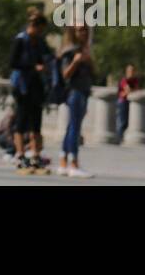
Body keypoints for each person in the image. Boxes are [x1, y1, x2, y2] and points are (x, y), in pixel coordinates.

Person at [9, 10, 50, 172]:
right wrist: (33, 67)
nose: (40, 33)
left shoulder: (39, 42)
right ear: (34, 26)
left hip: (36, 85)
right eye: (39, 29)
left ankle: (36, 155)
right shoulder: (20, 40)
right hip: (22, 85)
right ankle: (19, 154)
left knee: (36, 122)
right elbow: (12, 62)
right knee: (21, 120)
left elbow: (46, 57)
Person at [58, 24, 94, 178]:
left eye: (86, 30)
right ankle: (74, 163)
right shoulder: (70, 51)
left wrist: (89, 60)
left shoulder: (84, 50)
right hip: (75, 92)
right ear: (73, 32)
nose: (84, 33)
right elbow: (65, 74)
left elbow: (92, 73)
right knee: (75, 128)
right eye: (80, 30)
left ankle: (63, 162)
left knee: (71, 127)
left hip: (84, 92)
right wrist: (76, 61)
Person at [116, 63, 139, 143]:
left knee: (127, 122)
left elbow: (134, 90)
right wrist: (129, 91)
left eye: (133, 71)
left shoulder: (135, 80)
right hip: (122, 102)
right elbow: (128, 90)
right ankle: (119, 138)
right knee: (122, 121)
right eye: (130, 71)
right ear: (127, 71)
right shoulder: (124, 80)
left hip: (131, 102)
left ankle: (121, 137)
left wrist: (128, 91)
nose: (131, 72)